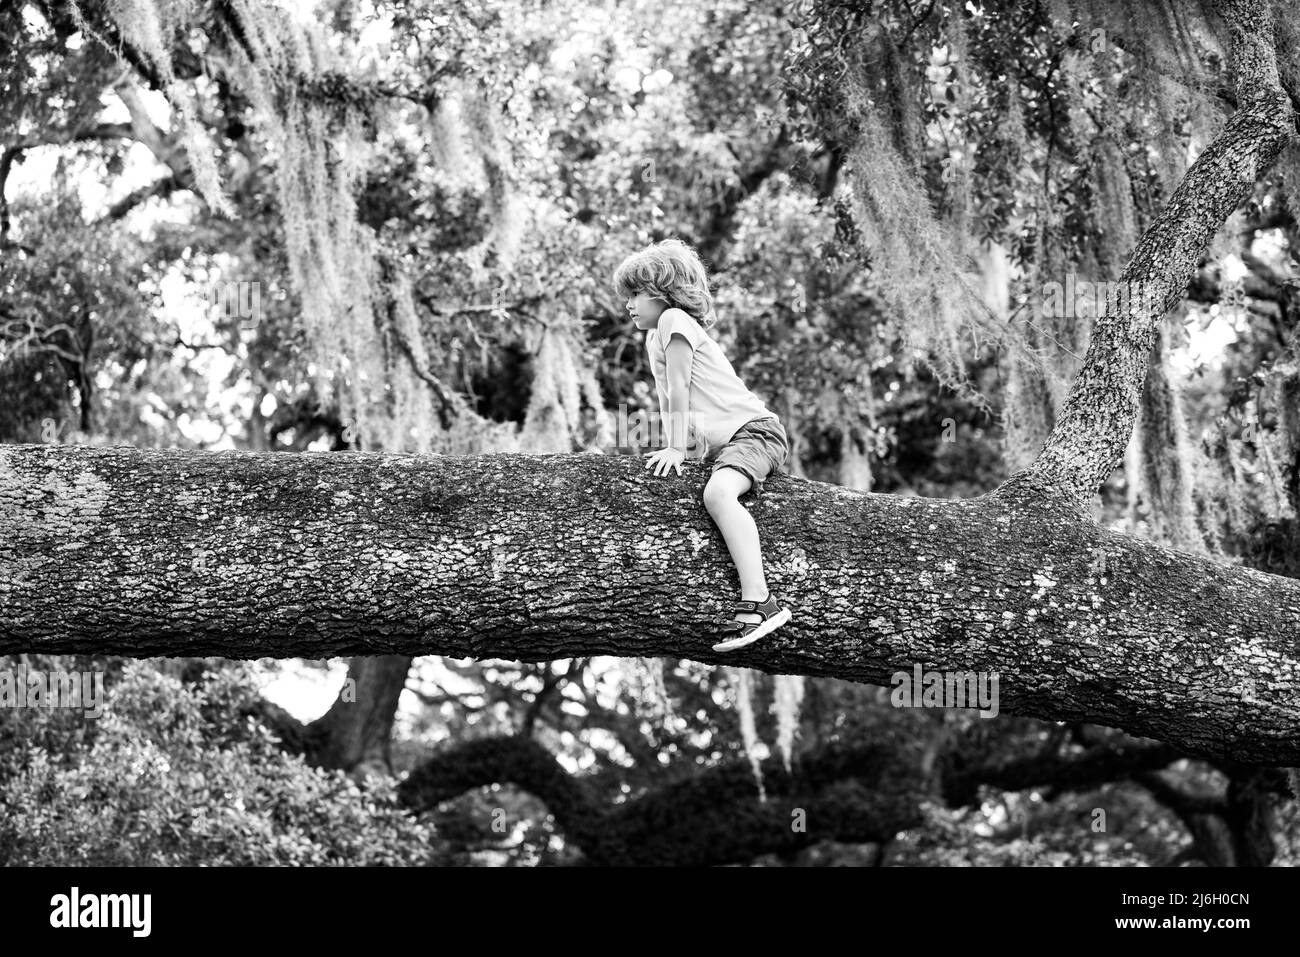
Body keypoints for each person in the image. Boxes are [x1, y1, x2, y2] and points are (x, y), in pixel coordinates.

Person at [613, 238, 792, 651]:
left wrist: (676, 449)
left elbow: (679, 389)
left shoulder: (674, 319)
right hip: (730, 444)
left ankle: (761, 602)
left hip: (756, 432)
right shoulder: (655, 336)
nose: (628, 305)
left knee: (718, 495)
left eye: (636, 294)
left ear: (663, 292)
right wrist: (678, 447)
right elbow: (667, 398)